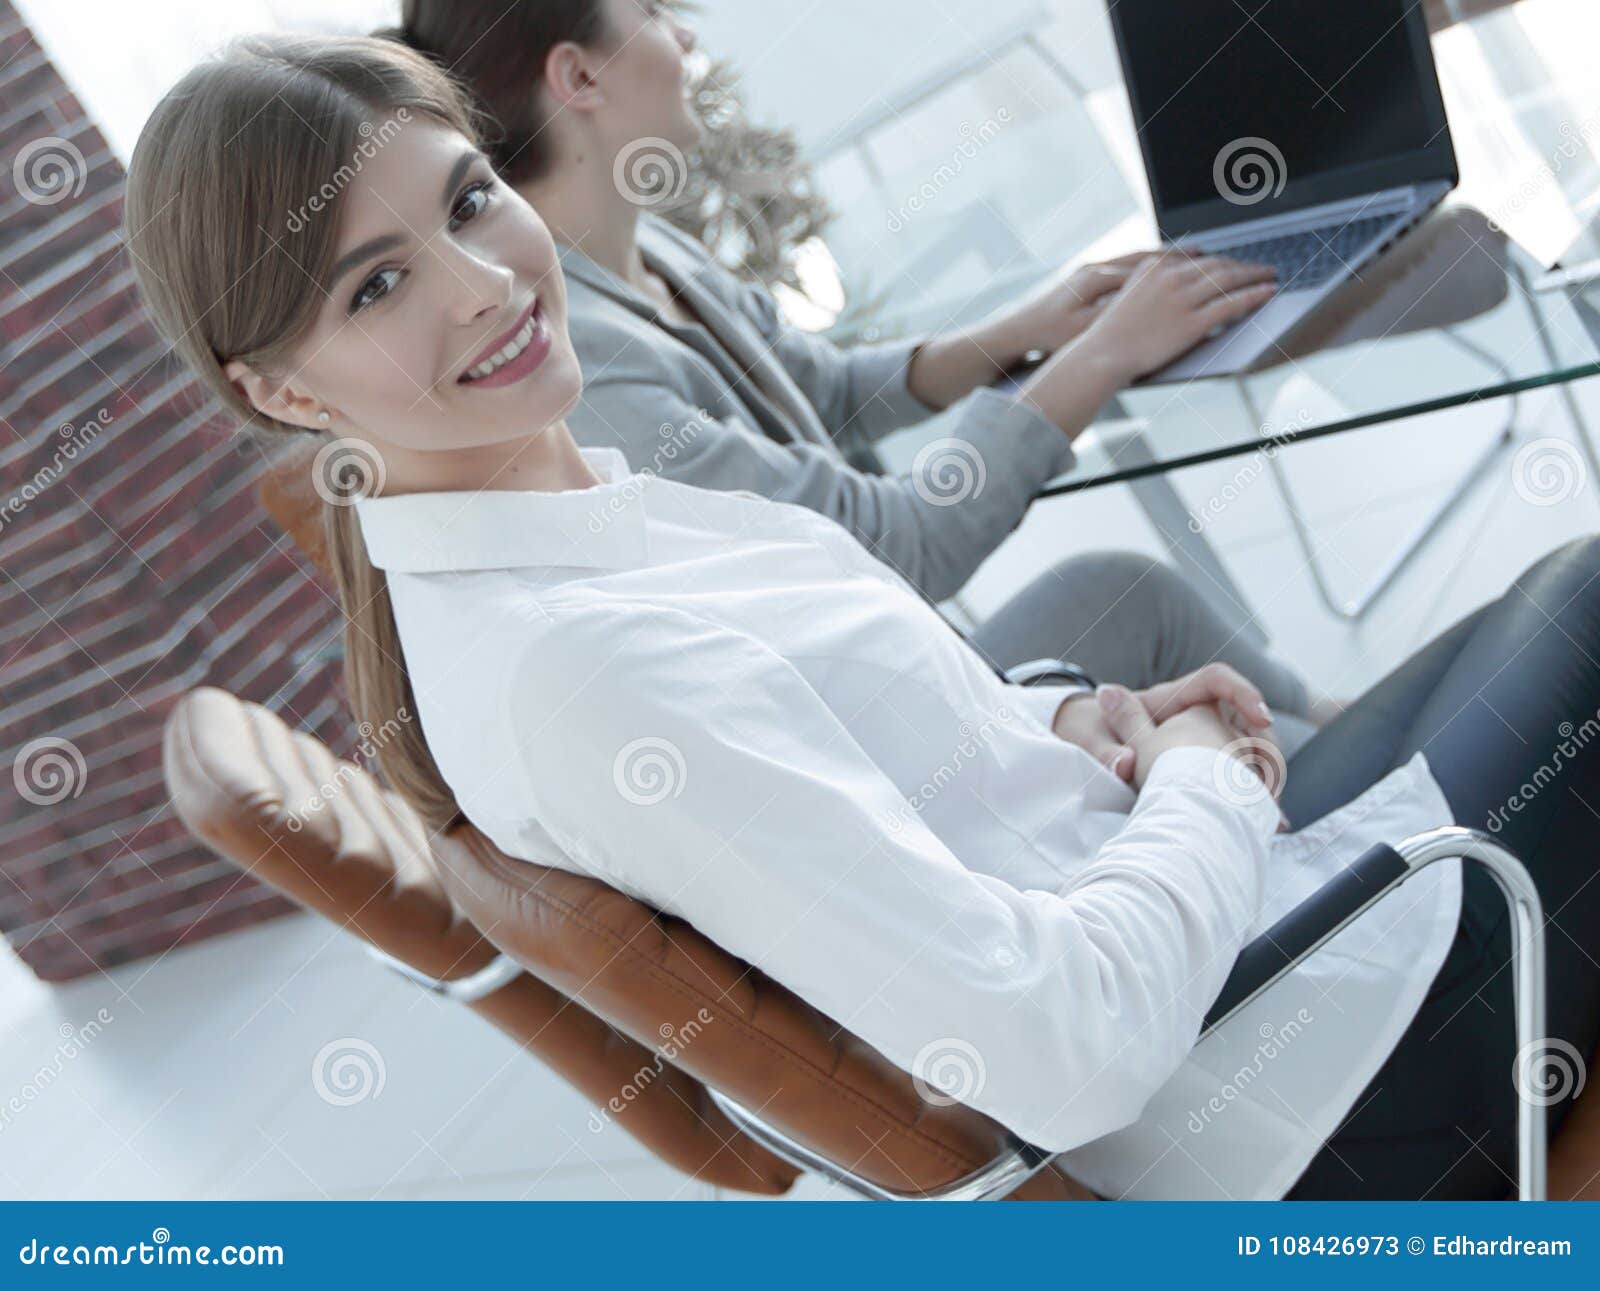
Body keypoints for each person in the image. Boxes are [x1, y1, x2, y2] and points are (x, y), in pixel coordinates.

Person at [126, 33, 1600, 1201]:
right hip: (1307, 1080)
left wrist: (1068, 719)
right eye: (379, 284)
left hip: (1236, 947)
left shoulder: (576, 531)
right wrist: (1205, 764)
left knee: (1552, 598)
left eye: (465, 201)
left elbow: (886, 759)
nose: (482, 285)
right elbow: (1063, 1047)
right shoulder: (578, 665)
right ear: (282, 392)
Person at [387, 0, 1343, 747]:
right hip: (887, 734)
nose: (682, 34)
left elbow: (824, 385)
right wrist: (1104, 355)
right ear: (580, 74)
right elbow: (897, 546)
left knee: (1137, 596)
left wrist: (1037, 323)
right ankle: (1390, 811)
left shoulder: (638, 250)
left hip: (893, 673)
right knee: (1162, 639)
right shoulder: (581, 362)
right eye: (652, 16)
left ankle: (1353, 755)